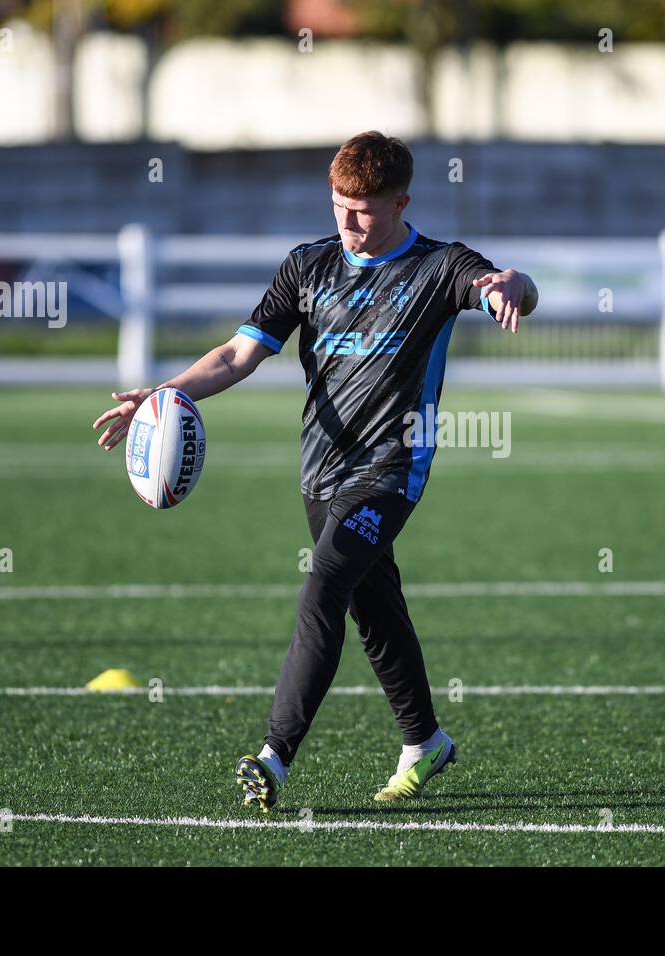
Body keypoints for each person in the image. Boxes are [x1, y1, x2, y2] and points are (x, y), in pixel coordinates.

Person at [93, 130, 538, 810]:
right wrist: (166, 392)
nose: (348, 221)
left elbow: (510, 285)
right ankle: (425, 740)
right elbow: (237, 356)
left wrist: (511, 285)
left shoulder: (440, 267)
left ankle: (274, 756)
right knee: (375, 610)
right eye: (338, 206)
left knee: (325, 584)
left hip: (392, 468)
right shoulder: (307, 267)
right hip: (319, 473)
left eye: (363, 209)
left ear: (401, 201)